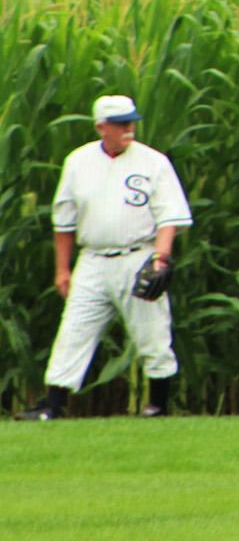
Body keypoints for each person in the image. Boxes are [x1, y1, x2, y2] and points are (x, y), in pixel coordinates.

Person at [15, 95, 193, 421]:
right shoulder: (78, 162)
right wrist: (61, 270)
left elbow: (169, 216)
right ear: (101, 127)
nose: (129, 128)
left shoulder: (153, 162)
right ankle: (53, 406)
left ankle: (158, 405)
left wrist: (161, 259)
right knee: (74, 331)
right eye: (122, 123)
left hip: (138, 256)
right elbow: (64, 222)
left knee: (152, 333)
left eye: (132, 122)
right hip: (92, 261)